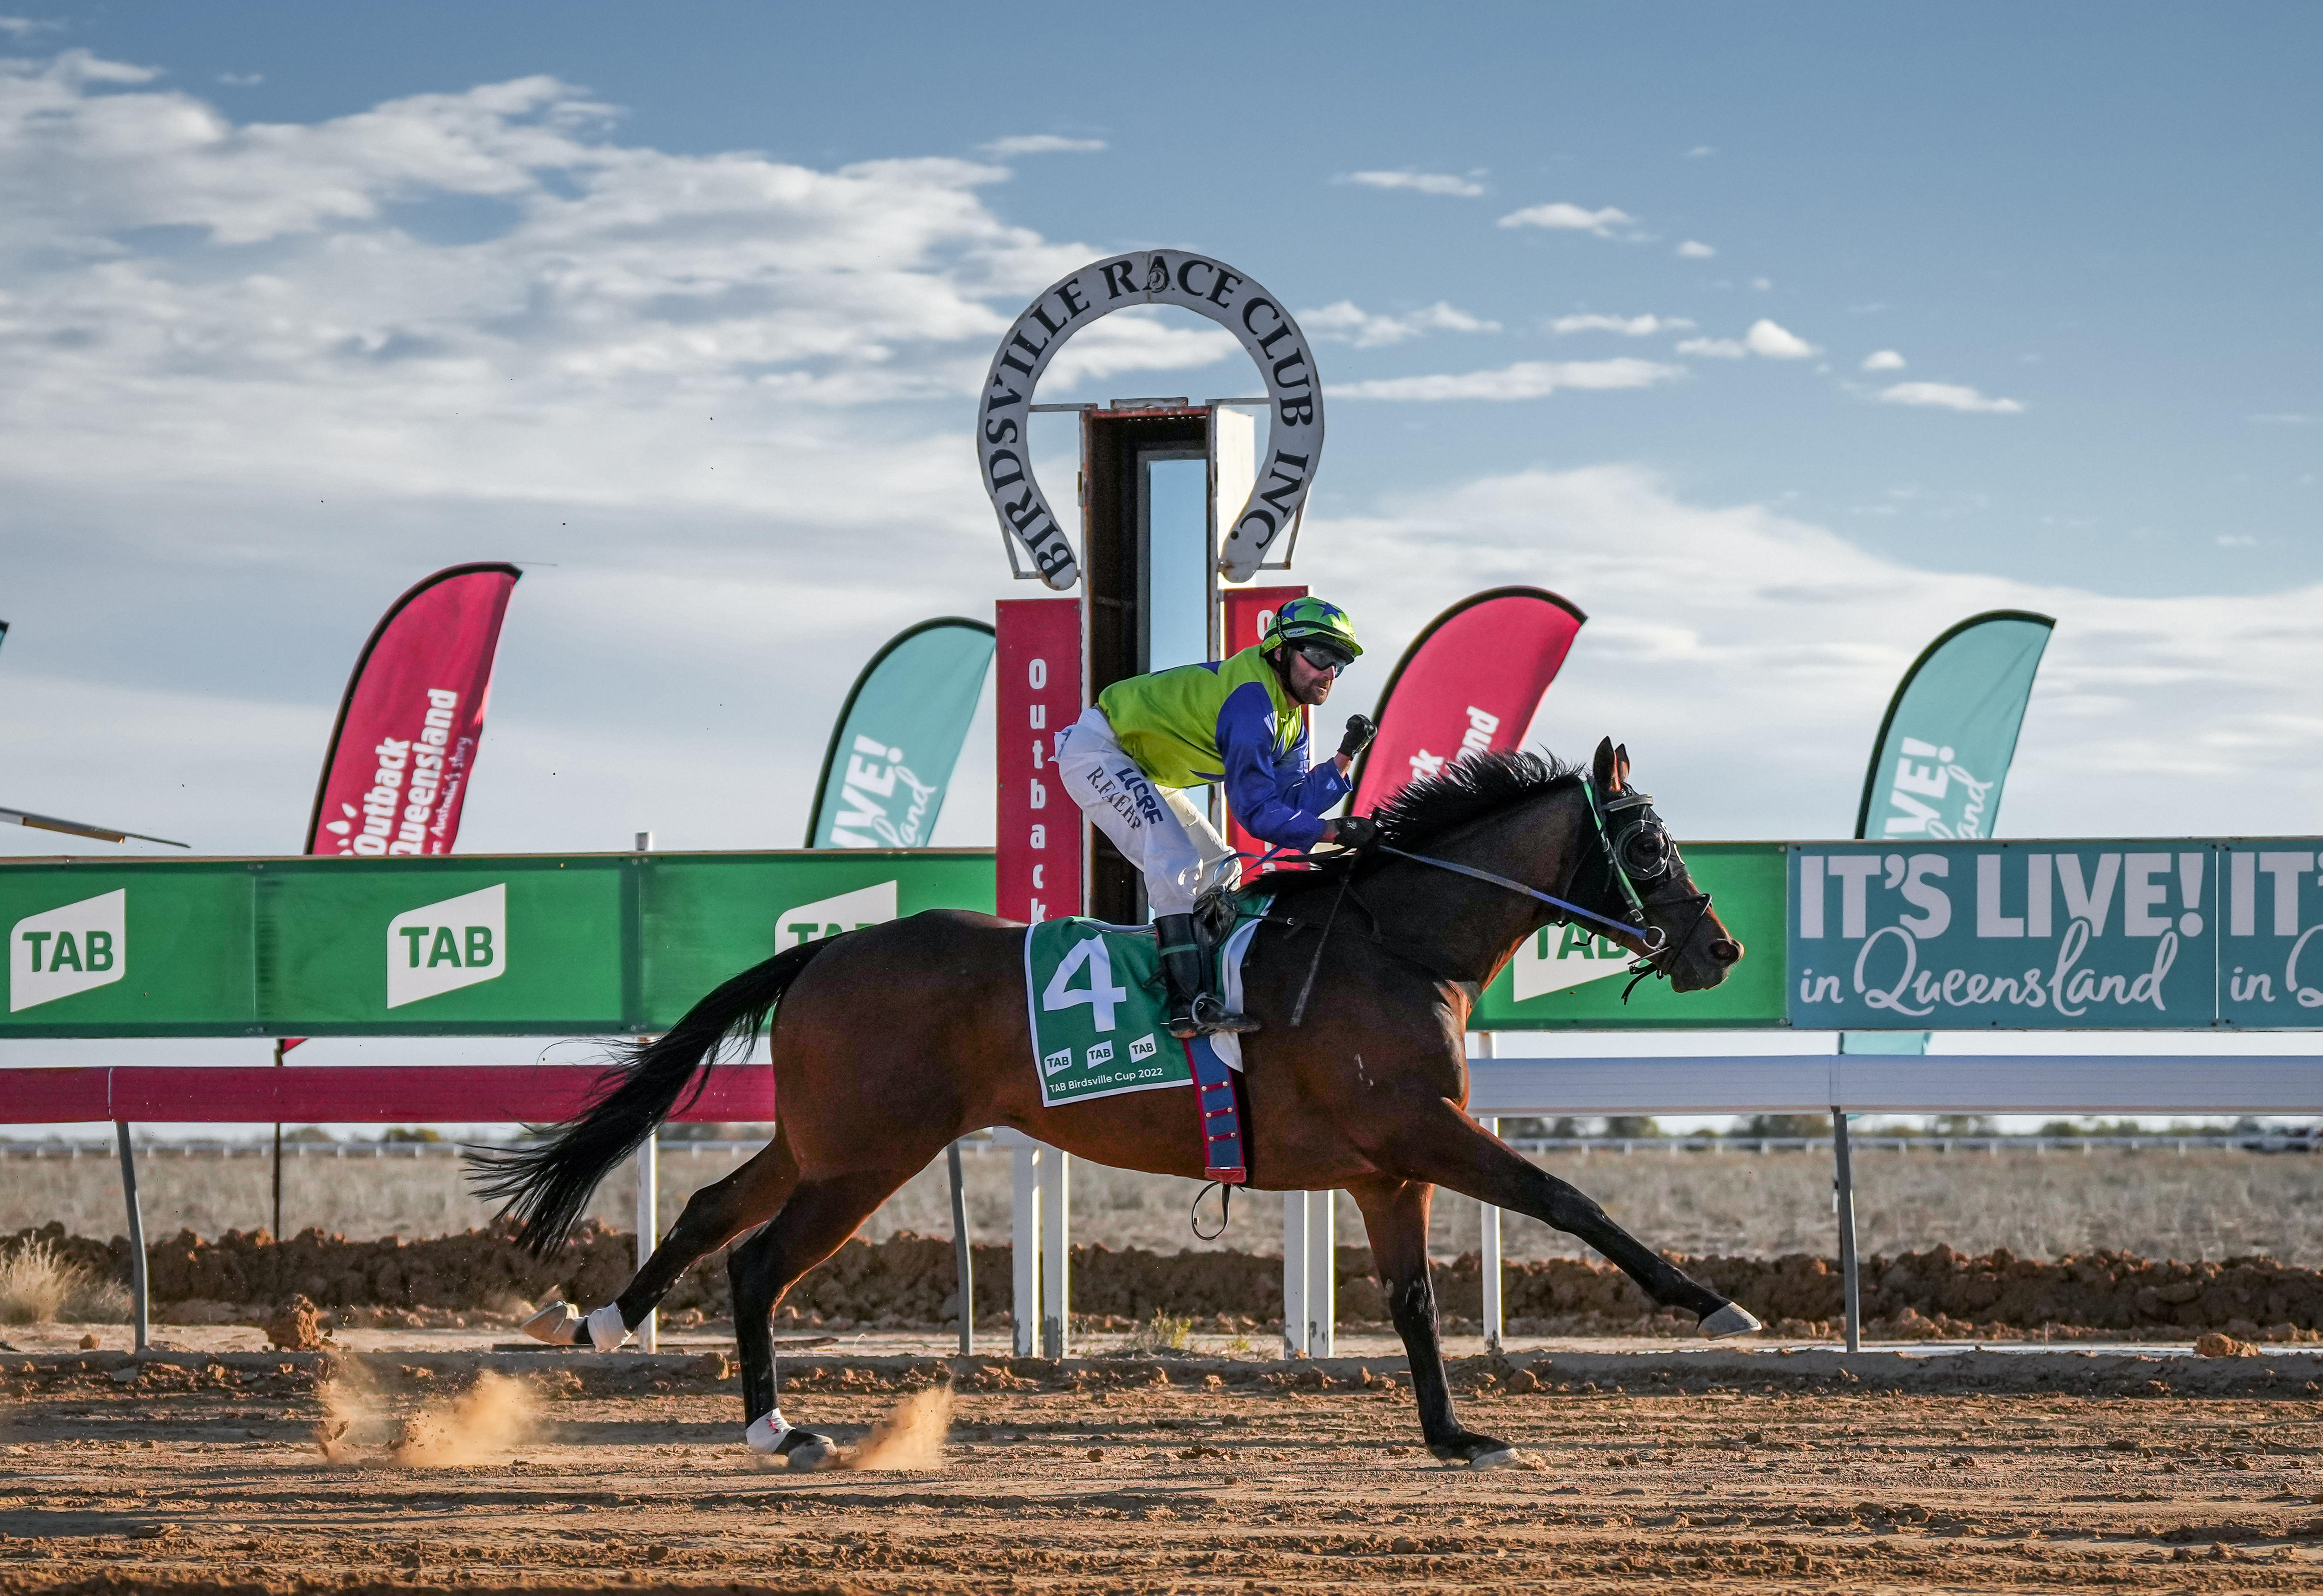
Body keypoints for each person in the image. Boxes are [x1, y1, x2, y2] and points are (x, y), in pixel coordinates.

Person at [1055, 597, 1379, 1038]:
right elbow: (1258, 814)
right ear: (1280, 651)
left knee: (1222, 868)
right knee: (1176, 860)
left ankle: (1206, 979)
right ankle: (1186, 1004)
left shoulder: (1290, 721)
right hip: (1098, 750)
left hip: (1143, 770)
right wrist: (1333, 831)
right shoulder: (1252, 705)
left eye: (1339, 663)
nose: (1330, 673)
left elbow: (1289, 803)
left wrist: (1343, 759)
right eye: (1321, 655)